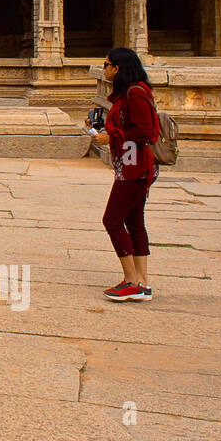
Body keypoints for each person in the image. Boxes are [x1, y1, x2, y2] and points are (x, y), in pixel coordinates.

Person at [92, 47, 159, 303]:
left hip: (135, 168)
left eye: (107, 64)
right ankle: (142, 282)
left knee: (112, 220)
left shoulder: (135, 93)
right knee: (133, 222)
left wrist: (112, 136)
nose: (104, 69)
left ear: (117, 68)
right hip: (130, 165)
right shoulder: (128, 94)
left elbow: (145, 132)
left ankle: (131, 281)